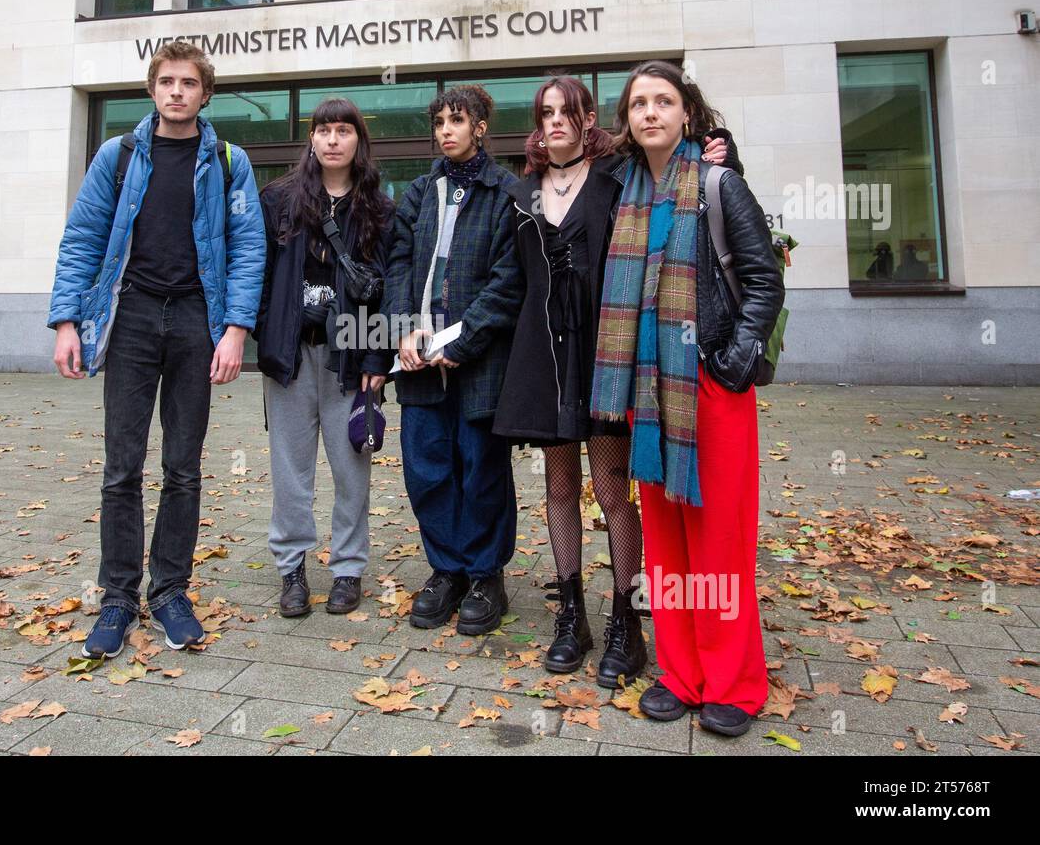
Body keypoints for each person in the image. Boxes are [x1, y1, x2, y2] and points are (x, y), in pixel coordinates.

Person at [493, 74, 740, 679]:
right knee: (557, 487)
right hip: (543, 356)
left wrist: (724, 144)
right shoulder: (522, 192)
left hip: (606, 350)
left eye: (569, 112)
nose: (556, 122)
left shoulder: (615, 181)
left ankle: (627, 622)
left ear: (587, 120)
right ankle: (570, 614)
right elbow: (510, 280)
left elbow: (676, 154)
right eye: (546, 112)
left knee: (610, 489)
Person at [47, 41, 266, 658]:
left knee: (183, 466)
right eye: (166, 81)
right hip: (135, 318)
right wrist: (67, 320)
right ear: (152, 90)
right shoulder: (118, 156)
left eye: (188, 83)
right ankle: (118, 596)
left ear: (204, 93)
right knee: (122, 466)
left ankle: (171, 590)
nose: (176, 91)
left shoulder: (228, 161)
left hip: (199, 319)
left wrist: (236, 330)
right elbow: (83, 236)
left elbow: (249, 248)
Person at [589, 59, 783, 736]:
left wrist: (731, 364)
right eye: (638, 103)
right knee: (667, 541)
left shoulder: (720, 183)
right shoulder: (627, 192)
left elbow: (764, 282)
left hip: (708, 386)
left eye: (663, 101)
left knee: (719, 540)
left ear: (686, 113)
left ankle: (733, 682)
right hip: (649, 386)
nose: (649, 113)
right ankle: (681, 672)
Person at [382, 84, 523, 636]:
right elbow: (397, 262)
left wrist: (462, 343)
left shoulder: (508, 191)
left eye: (457, 121)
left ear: (481, 126)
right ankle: (446, 570)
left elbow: (509, 280)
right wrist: (402, 329)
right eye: (439, 121)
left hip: (478, 360)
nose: (446, 130)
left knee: (481, 468)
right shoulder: (420, 190)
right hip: (419, 359)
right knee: (427, 468)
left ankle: (486, 575)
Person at [254, 98, 395, 617]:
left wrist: (378, 360)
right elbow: (260, 275)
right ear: (311, 139)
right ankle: (292, 567)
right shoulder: (279, 201)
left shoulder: (378, 208)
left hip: (351, 357)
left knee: (351, 465)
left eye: (343, 130)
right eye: (323, 130)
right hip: (291, 355)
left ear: (359, 140)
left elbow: (388, 289)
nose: (333, 139)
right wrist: (266, 336)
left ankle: (348, 568)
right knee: (290, 469)